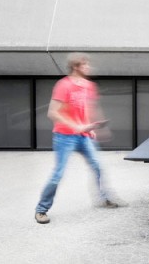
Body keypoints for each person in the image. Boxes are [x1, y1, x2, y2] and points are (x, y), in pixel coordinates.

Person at [34, 53, 120, 224]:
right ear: (76, 67)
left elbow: (86, 108)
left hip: (84, 136)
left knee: (97, 166)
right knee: (58, 174)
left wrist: (90, 126)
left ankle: (104, 198)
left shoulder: (88, 86)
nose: (89, 67)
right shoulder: (63, 85)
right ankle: (41, 210)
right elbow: (53, 112)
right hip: (64, 136)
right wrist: (75, 126)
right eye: (85, 65)